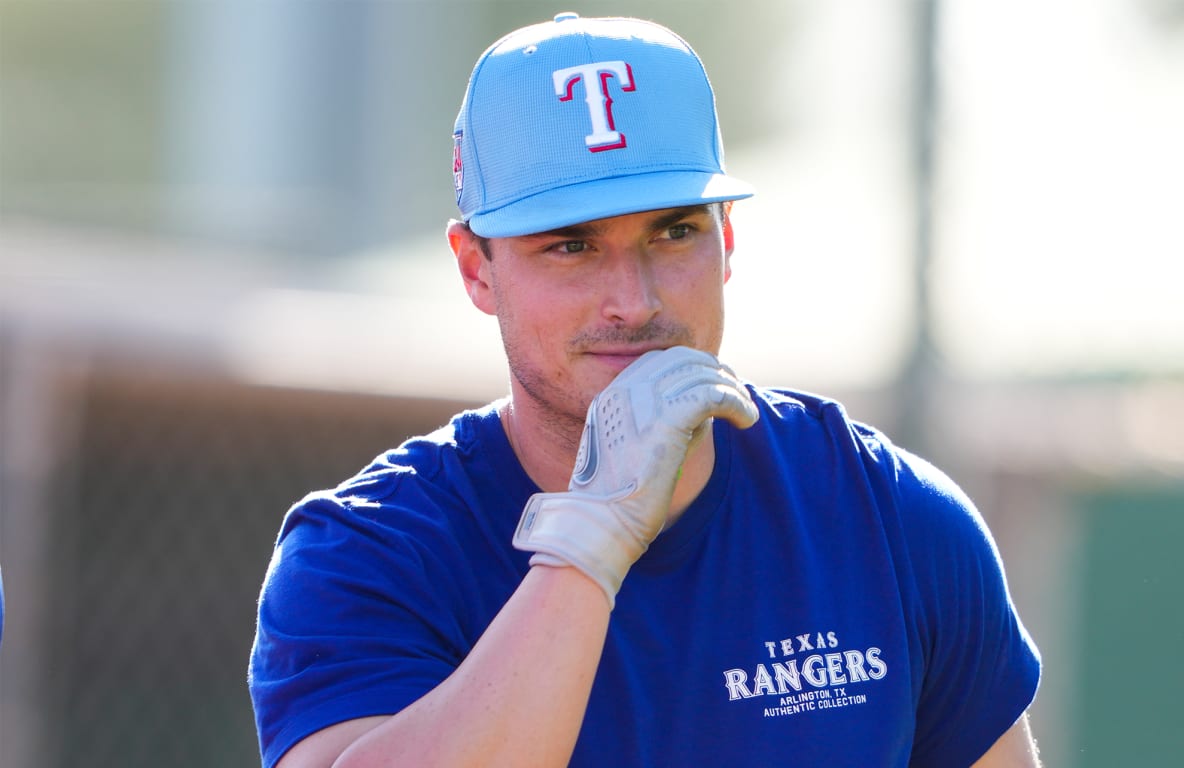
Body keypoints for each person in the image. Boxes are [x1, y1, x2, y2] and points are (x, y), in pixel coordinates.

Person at [249, 12, 1042, 768]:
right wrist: (594, 534)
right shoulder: (369, 554)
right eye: (571, 245)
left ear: (726, 242)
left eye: (674, 232)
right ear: (475, 270)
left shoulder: (886, 515)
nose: (633, 299)